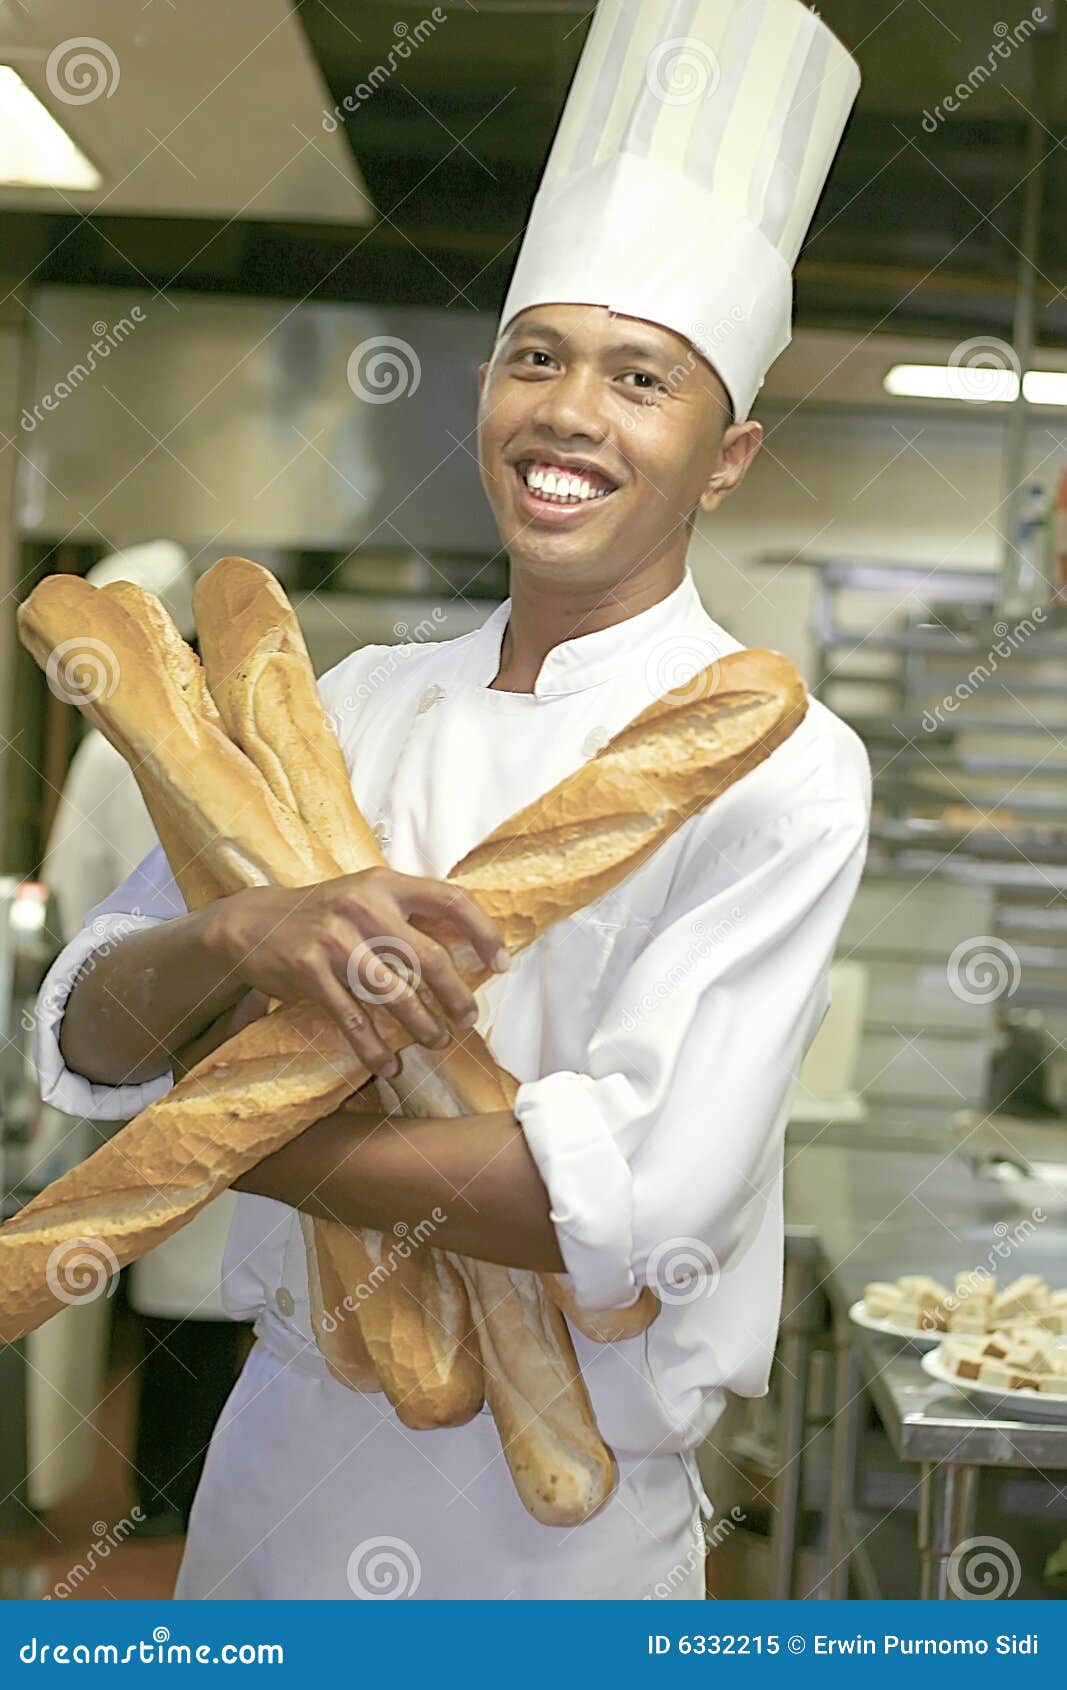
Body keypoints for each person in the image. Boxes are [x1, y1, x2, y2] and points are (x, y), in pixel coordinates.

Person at [33, 0, 868, 1599]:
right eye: (536, 357)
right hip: (275, 1460)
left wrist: (222, 1142)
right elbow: (94, 1032)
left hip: (558, 1527)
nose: (569, 411)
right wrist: (243, 934)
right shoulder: (348, 703)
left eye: (641, 377)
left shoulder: (787, 760)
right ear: (486, 389)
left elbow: (627, 1202)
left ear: (726, 456)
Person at [41, 542, 243, 1535]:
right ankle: (187, 1509)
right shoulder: (243, 736)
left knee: (182, 1305)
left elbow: (67, 905)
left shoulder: (106, 753)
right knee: (218, 1302)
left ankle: (166, 1508)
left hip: (149, 1057)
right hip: (218, 1056)